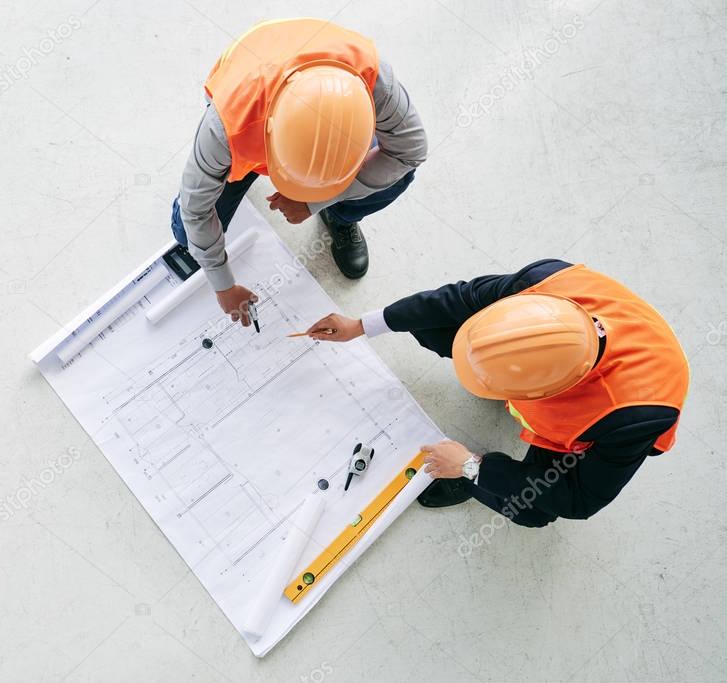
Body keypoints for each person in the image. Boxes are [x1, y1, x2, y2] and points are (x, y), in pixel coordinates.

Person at [303, 259, 689, 527]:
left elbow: (581, 499)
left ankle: (475, 480)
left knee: (533, 510)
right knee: (432, 325)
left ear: (544, 394)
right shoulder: (544, 282)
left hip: (590, 426)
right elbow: (453, 299)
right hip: (556, 355)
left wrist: (472, 466)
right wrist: (362, 325)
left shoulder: (635, 417)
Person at [172, 18, 427, 326]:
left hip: (308, 90)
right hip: (246, 104)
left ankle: (341, 216)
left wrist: (316, 202)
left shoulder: (372, 77)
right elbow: (196, 212)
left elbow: (410, 151)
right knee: (188, 232)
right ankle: (242, 170)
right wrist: (223, 284)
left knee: (398, 174)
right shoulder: (225, 128)